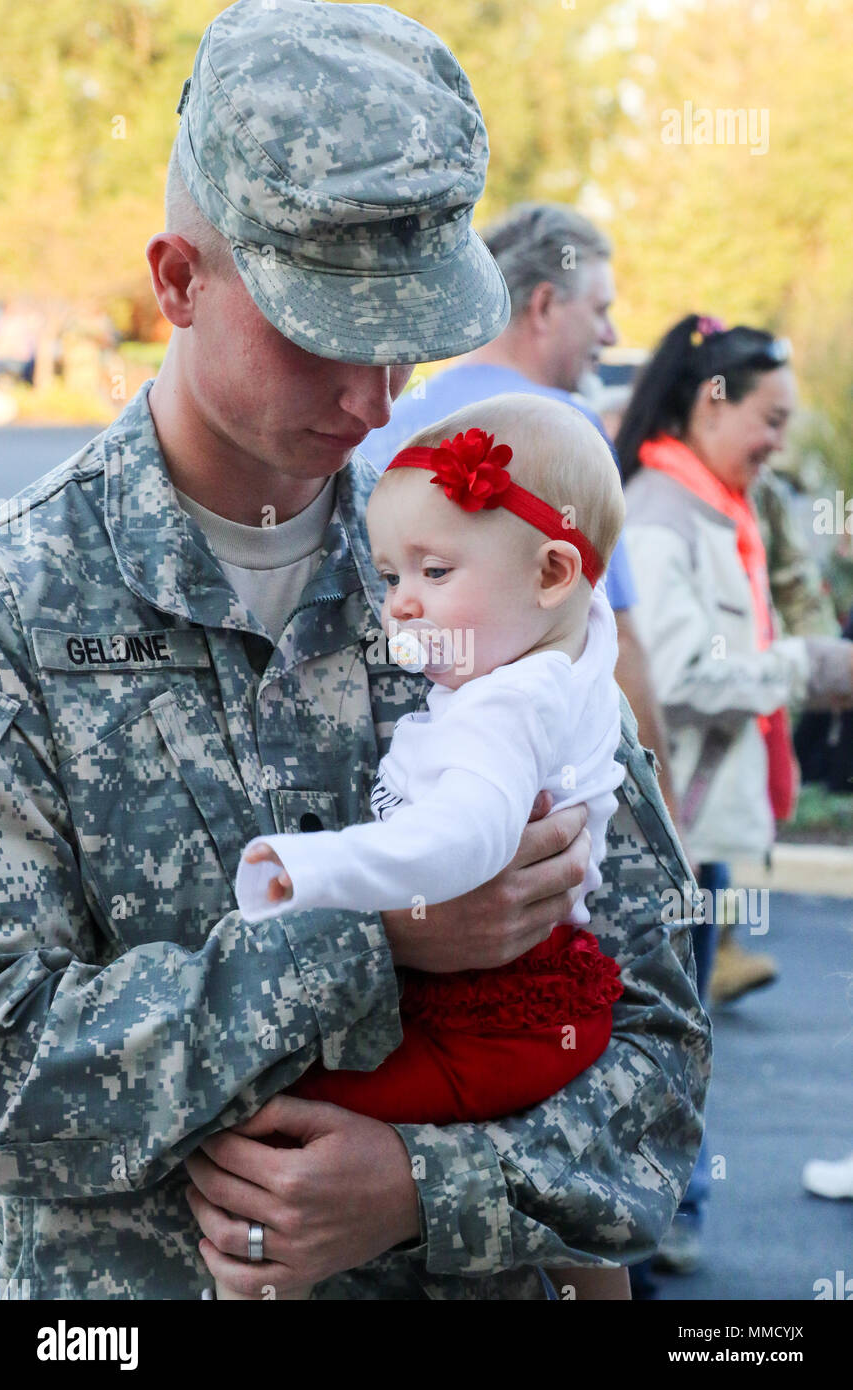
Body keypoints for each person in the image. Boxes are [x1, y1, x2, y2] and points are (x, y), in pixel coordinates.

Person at [0, 0, 709, 1300]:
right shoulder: (17, 601)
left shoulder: (487, 565)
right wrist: (373, 940)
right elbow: (6, 1068)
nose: (378, 396)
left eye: (407, 335)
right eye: (322, 329)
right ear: (176, 283)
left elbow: (658, 1060)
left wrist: (420, 1192)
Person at [228, 395, 627, 1300]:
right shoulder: (560, 652)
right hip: (532, 1008)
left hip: (492, 1014)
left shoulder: (502, 704)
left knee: (277, 1124)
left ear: (554, 570)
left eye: (434, 571)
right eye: (387, 572)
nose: (399, 601)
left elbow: (466, 840)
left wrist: (317, 871)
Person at [617, 311, 853, 1272]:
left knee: (683, 1027)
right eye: (769, 419)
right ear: (710, 405)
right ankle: (652, 1219)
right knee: (665, 1031)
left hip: (701, 818)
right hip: (678, 818)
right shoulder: (664, 514)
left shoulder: (720, 507)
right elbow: (674, 677)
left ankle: (670, 1210)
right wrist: (804, 667)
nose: (778, 443)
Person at [360, 202, 683, 829]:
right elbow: (616, 635)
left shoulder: (391, 422)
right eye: (601, 310)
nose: (611, 335)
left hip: (402, 775)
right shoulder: (566, 431)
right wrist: (668, 823)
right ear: (543, 306)